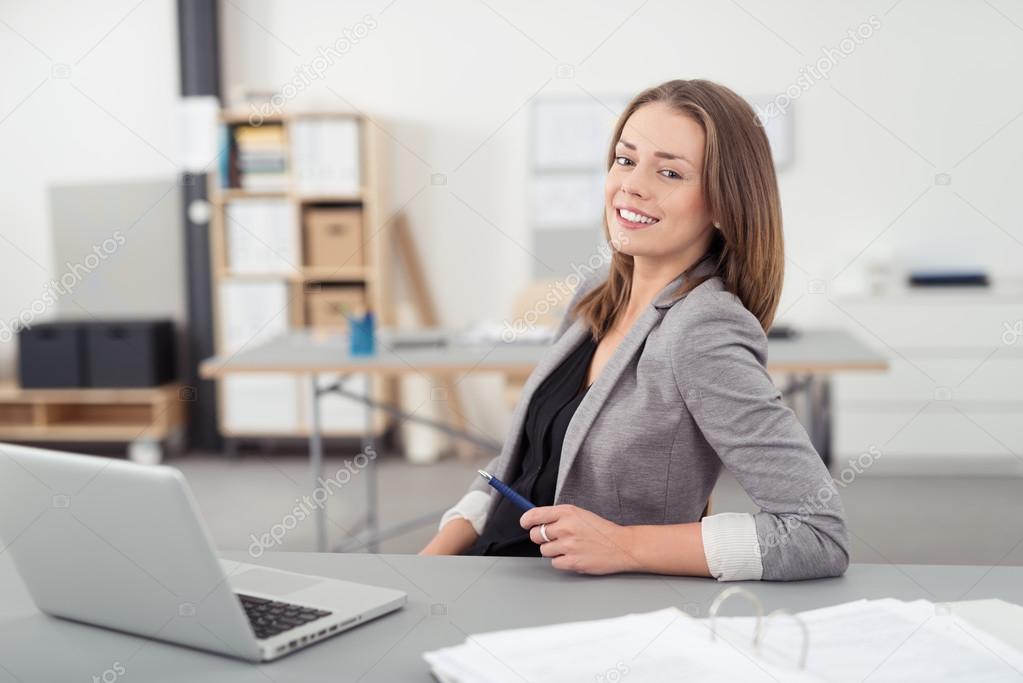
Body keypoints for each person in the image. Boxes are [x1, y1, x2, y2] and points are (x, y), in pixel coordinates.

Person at [420, 79, 849, 581]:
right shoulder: (597, 294)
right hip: (489, 574)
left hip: (575, 605)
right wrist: (433, 561)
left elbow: (816, 532)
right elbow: (524, 462)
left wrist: (625, 546)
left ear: (723, 204)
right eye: (626, 160)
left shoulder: (704, 329)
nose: (632, 185)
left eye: (670, 172)